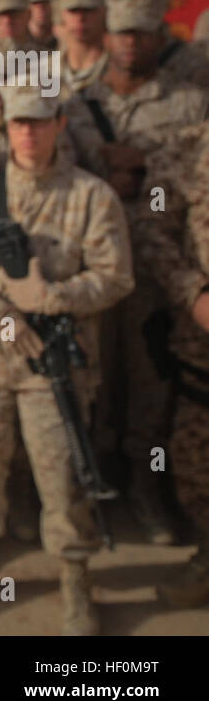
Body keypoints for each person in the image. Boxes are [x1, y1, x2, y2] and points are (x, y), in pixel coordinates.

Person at [0, 82, 133, 635]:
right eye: (19, 122)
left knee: (62, 475)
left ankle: (75, 578)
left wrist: (56, 298)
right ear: (5, 126)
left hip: (54, 367)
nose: (28, 132)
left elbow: (117, 275)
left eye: (40, 122)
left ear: (59, 125)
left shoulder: (91, 196)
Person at [65, 0, 209, 543]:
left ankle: (149, 490)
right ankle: (94, 482)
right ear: (107, 36)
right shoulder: (78, 104)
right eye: (121, 32)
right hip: (94, 268)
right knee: (93, 379)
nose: (130, 43)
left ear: (160, 37)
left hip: (156, 273)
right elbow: (63, 180)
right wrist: (107, 181)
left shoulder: (190, 104)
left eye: (142, 32)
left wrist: (145, 173)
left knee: (151, 385)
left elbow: (184, 191)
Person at [134, 122, 209, 608]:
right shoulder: (183, 149)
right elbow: (153, 228)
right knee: (195, 458)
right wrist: (194, 294)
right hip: (203, 339)